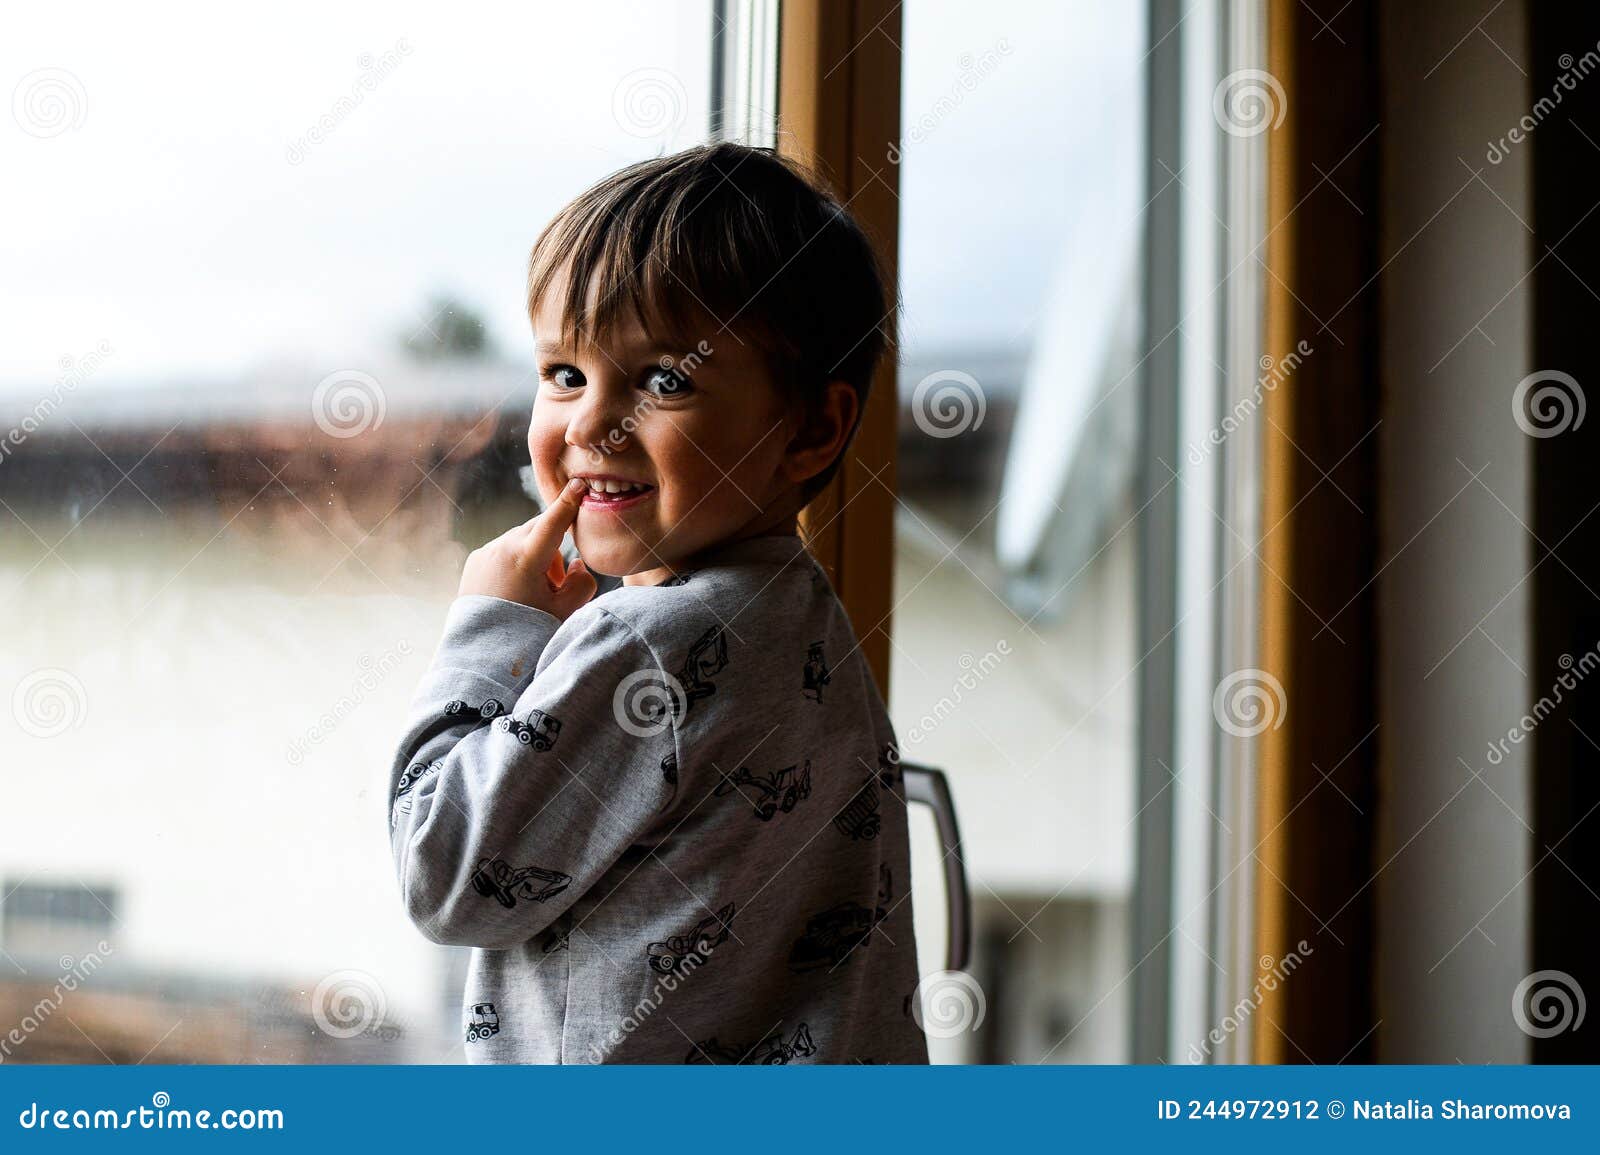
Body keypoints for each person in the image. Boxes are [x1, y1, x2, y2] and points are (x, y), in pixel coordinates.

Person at [386, 142, 927, 1064]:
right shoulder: (798, 610)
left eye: (664, 380)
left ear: (811, 429)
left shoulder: (643, 641)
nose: (593, 423)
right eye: (564, 373)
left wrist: (491, 631)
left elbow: (448, 873)